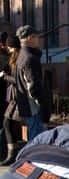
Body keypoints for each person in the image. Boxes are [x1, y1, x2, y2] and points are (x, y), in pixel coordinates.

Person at [15, 25, 49, 141]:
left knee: (34, 143)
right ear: (30, 38)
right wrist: (43, 105)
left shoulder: (21, 56)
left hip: (27, 107)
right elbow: (33, 86)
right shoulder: (30, 58)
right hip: (34, 109)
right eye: (37, 37)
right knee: (38, 144)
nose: (39, 39)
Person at [0, 34, 23, 166]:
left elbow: (20, 81)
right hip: (14, 98)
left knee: (7, 123)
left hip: (19, 98)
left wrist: (5, 77)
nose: (9, 50)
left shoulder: (19, 59)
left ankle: (13, 155)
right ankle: (12, 154)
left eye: (10, 47)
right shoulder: (14, 58)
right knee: (7, 123)